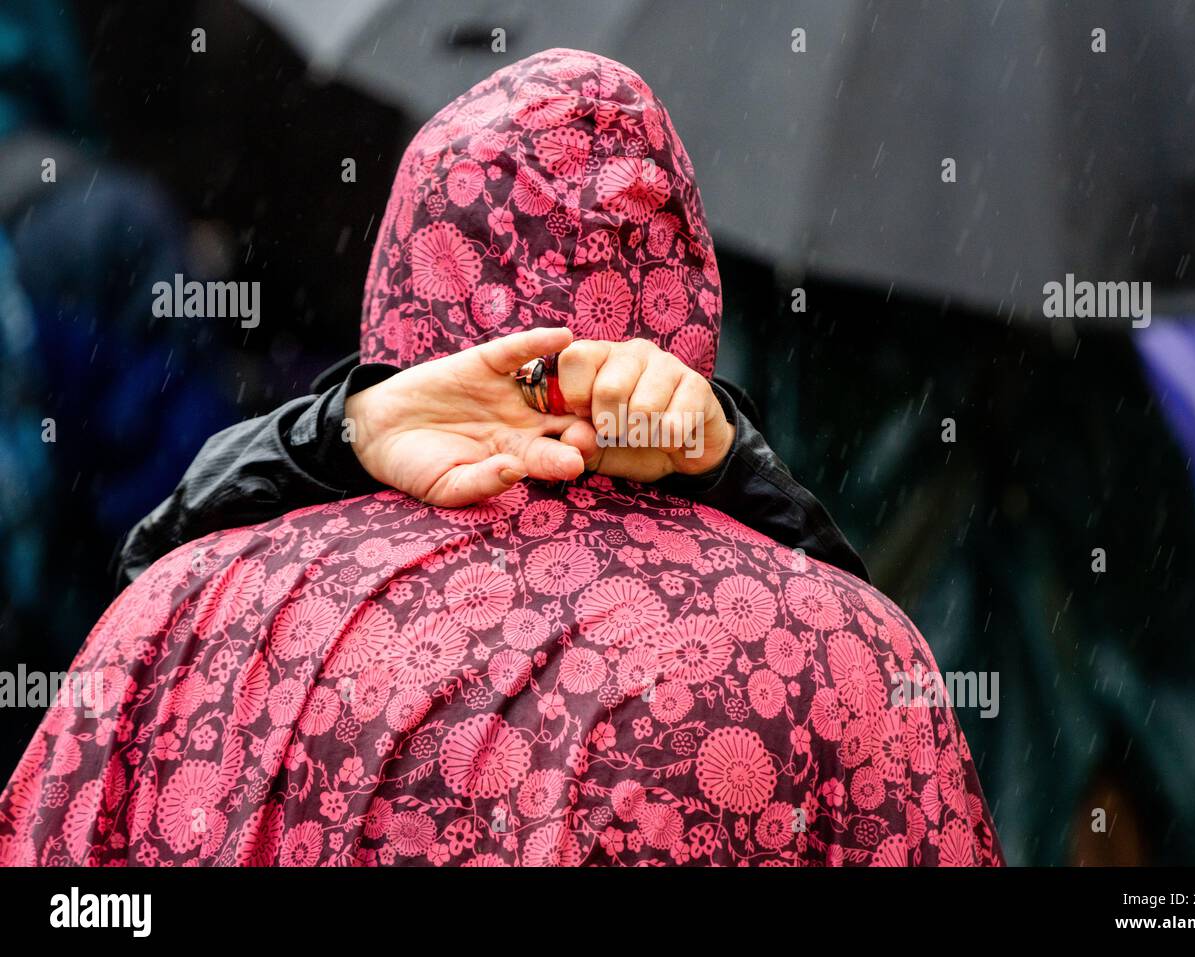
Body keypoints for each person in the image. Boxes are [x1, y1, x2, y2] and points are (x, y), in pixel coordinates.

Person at [0, 49, 1001, 867]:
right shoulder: (842, 655)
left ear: (404, 257)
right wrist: (750, 484)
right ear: (689, 282)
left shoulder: (175, 624)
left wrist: (320, 440)